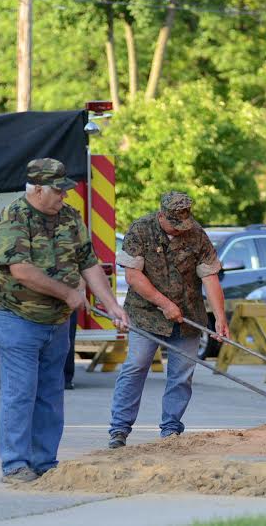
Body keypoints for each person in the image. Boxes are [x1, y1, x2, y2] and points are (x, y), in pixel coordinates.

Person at [0, 158, 129, 484]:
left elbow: (88, 263)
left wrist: (113, 306)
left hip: (56, 322)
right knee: (21, 392)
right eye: (58, 191)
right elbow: (20, 270)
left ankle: (45, 461)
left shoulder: (69, 217)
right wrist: (67, 293)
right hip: (15, 316)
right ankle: (15, 464)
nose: (64, 196)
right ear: (37, 189)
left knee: (51, 391)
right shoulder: (14, 218)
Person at [108, 191, 229, 449]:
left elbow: (210, 277)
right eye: (174, 223)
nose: (179, 229)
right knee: (136, 366)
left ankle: (171, 430)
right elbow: (133, 277)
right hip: (146, 314)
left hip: (187, 316)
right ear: (161, 215)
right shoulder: (140, 230)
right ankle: (119, 429)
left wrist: (219, 318)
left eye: (183, 223)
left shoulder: (197, 234)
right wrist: (165, 304)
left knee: (181, 375)